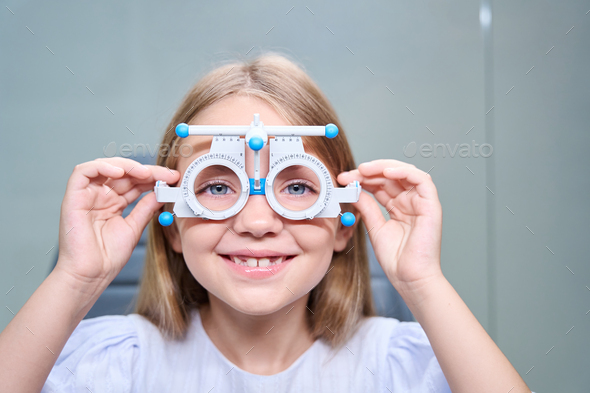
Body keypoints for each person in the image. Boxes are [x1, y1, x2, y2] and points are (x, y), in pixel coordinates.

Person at [0, 53, 533, 393]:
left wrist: (423, 284)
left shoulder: (402, 368)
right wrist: (76, 279)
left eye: (298, 187)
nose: (257, 220)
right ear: (172, 225)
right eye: (216, 186)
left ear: (345, 220)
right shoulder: (112, 367)